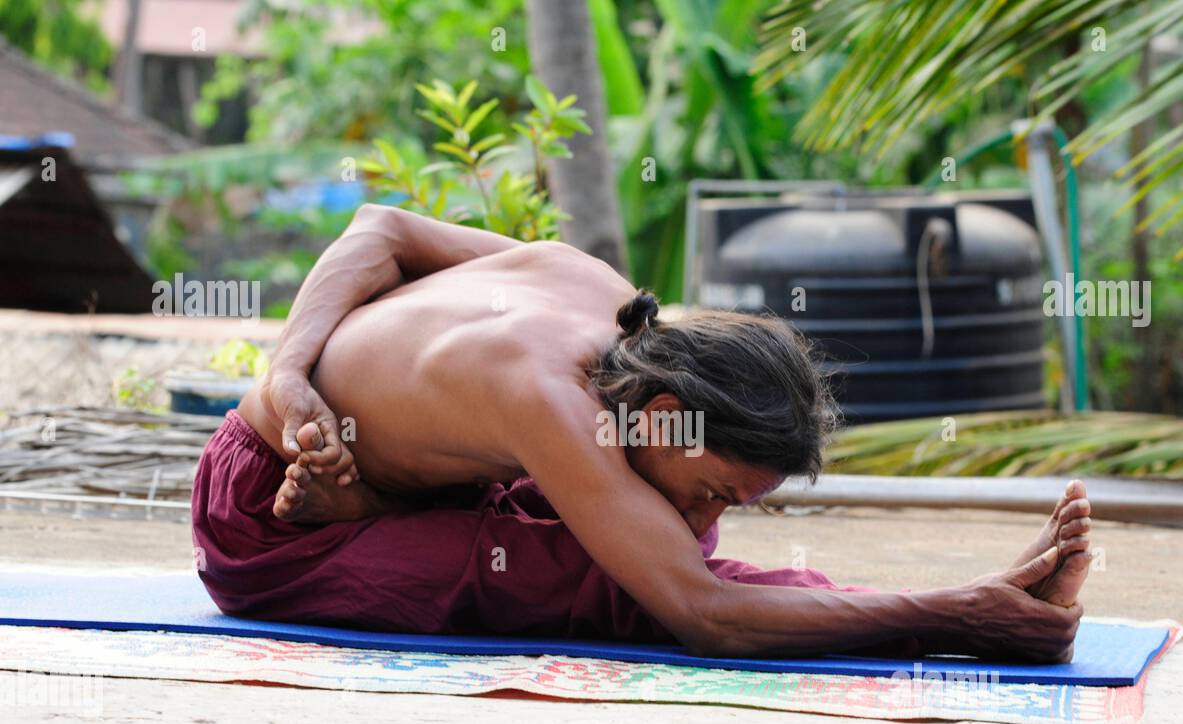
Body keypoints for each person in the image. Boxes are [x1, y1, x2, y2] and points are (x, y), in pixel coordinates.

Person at [192, 204, 1092, 661]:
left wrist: (294, 369)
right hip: (257, 521)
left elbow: (382, 228)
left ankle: (376, 499)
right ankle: (357, 512)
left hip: (424, 474)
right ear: (666, 414)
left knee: (651, 548)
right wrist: (955, 615)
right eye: (713, 488)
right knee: (611, 578)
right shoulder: (552, 396)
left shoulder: (603, 293)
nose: (711, 512)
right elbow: (704, 616)